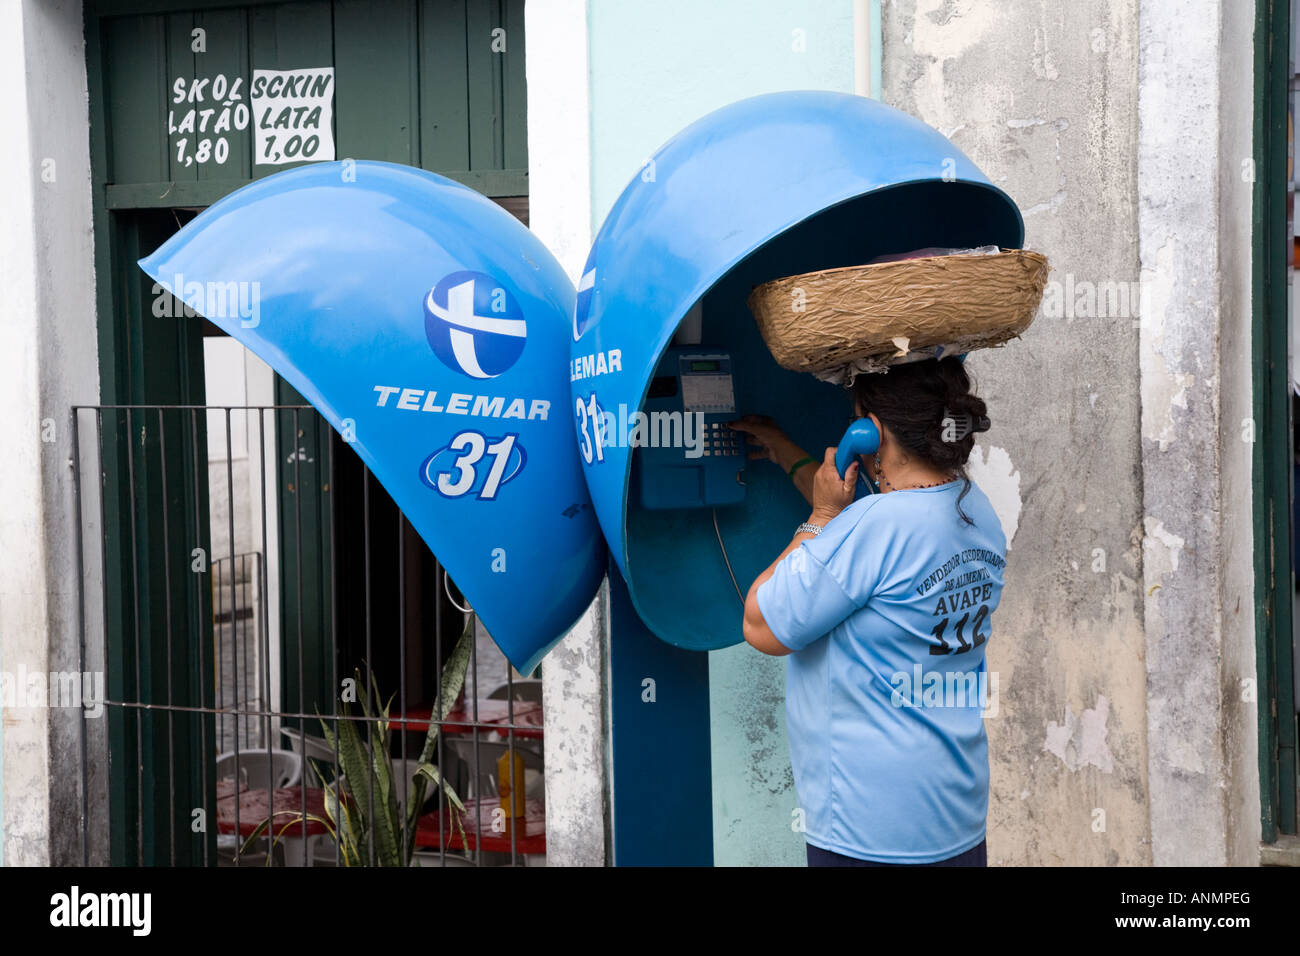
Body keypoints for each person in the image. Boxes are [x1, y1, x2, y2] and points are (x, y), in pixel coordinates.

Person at [729, 356, 1007, 867]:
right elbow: (862, 546)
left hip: (868, 827)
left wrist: (818, 516)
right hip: (954, 815)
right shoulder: (976, 509)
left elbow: (760, 624)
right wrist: (787, 452)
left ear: (869, 430)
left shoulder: (872, 526)